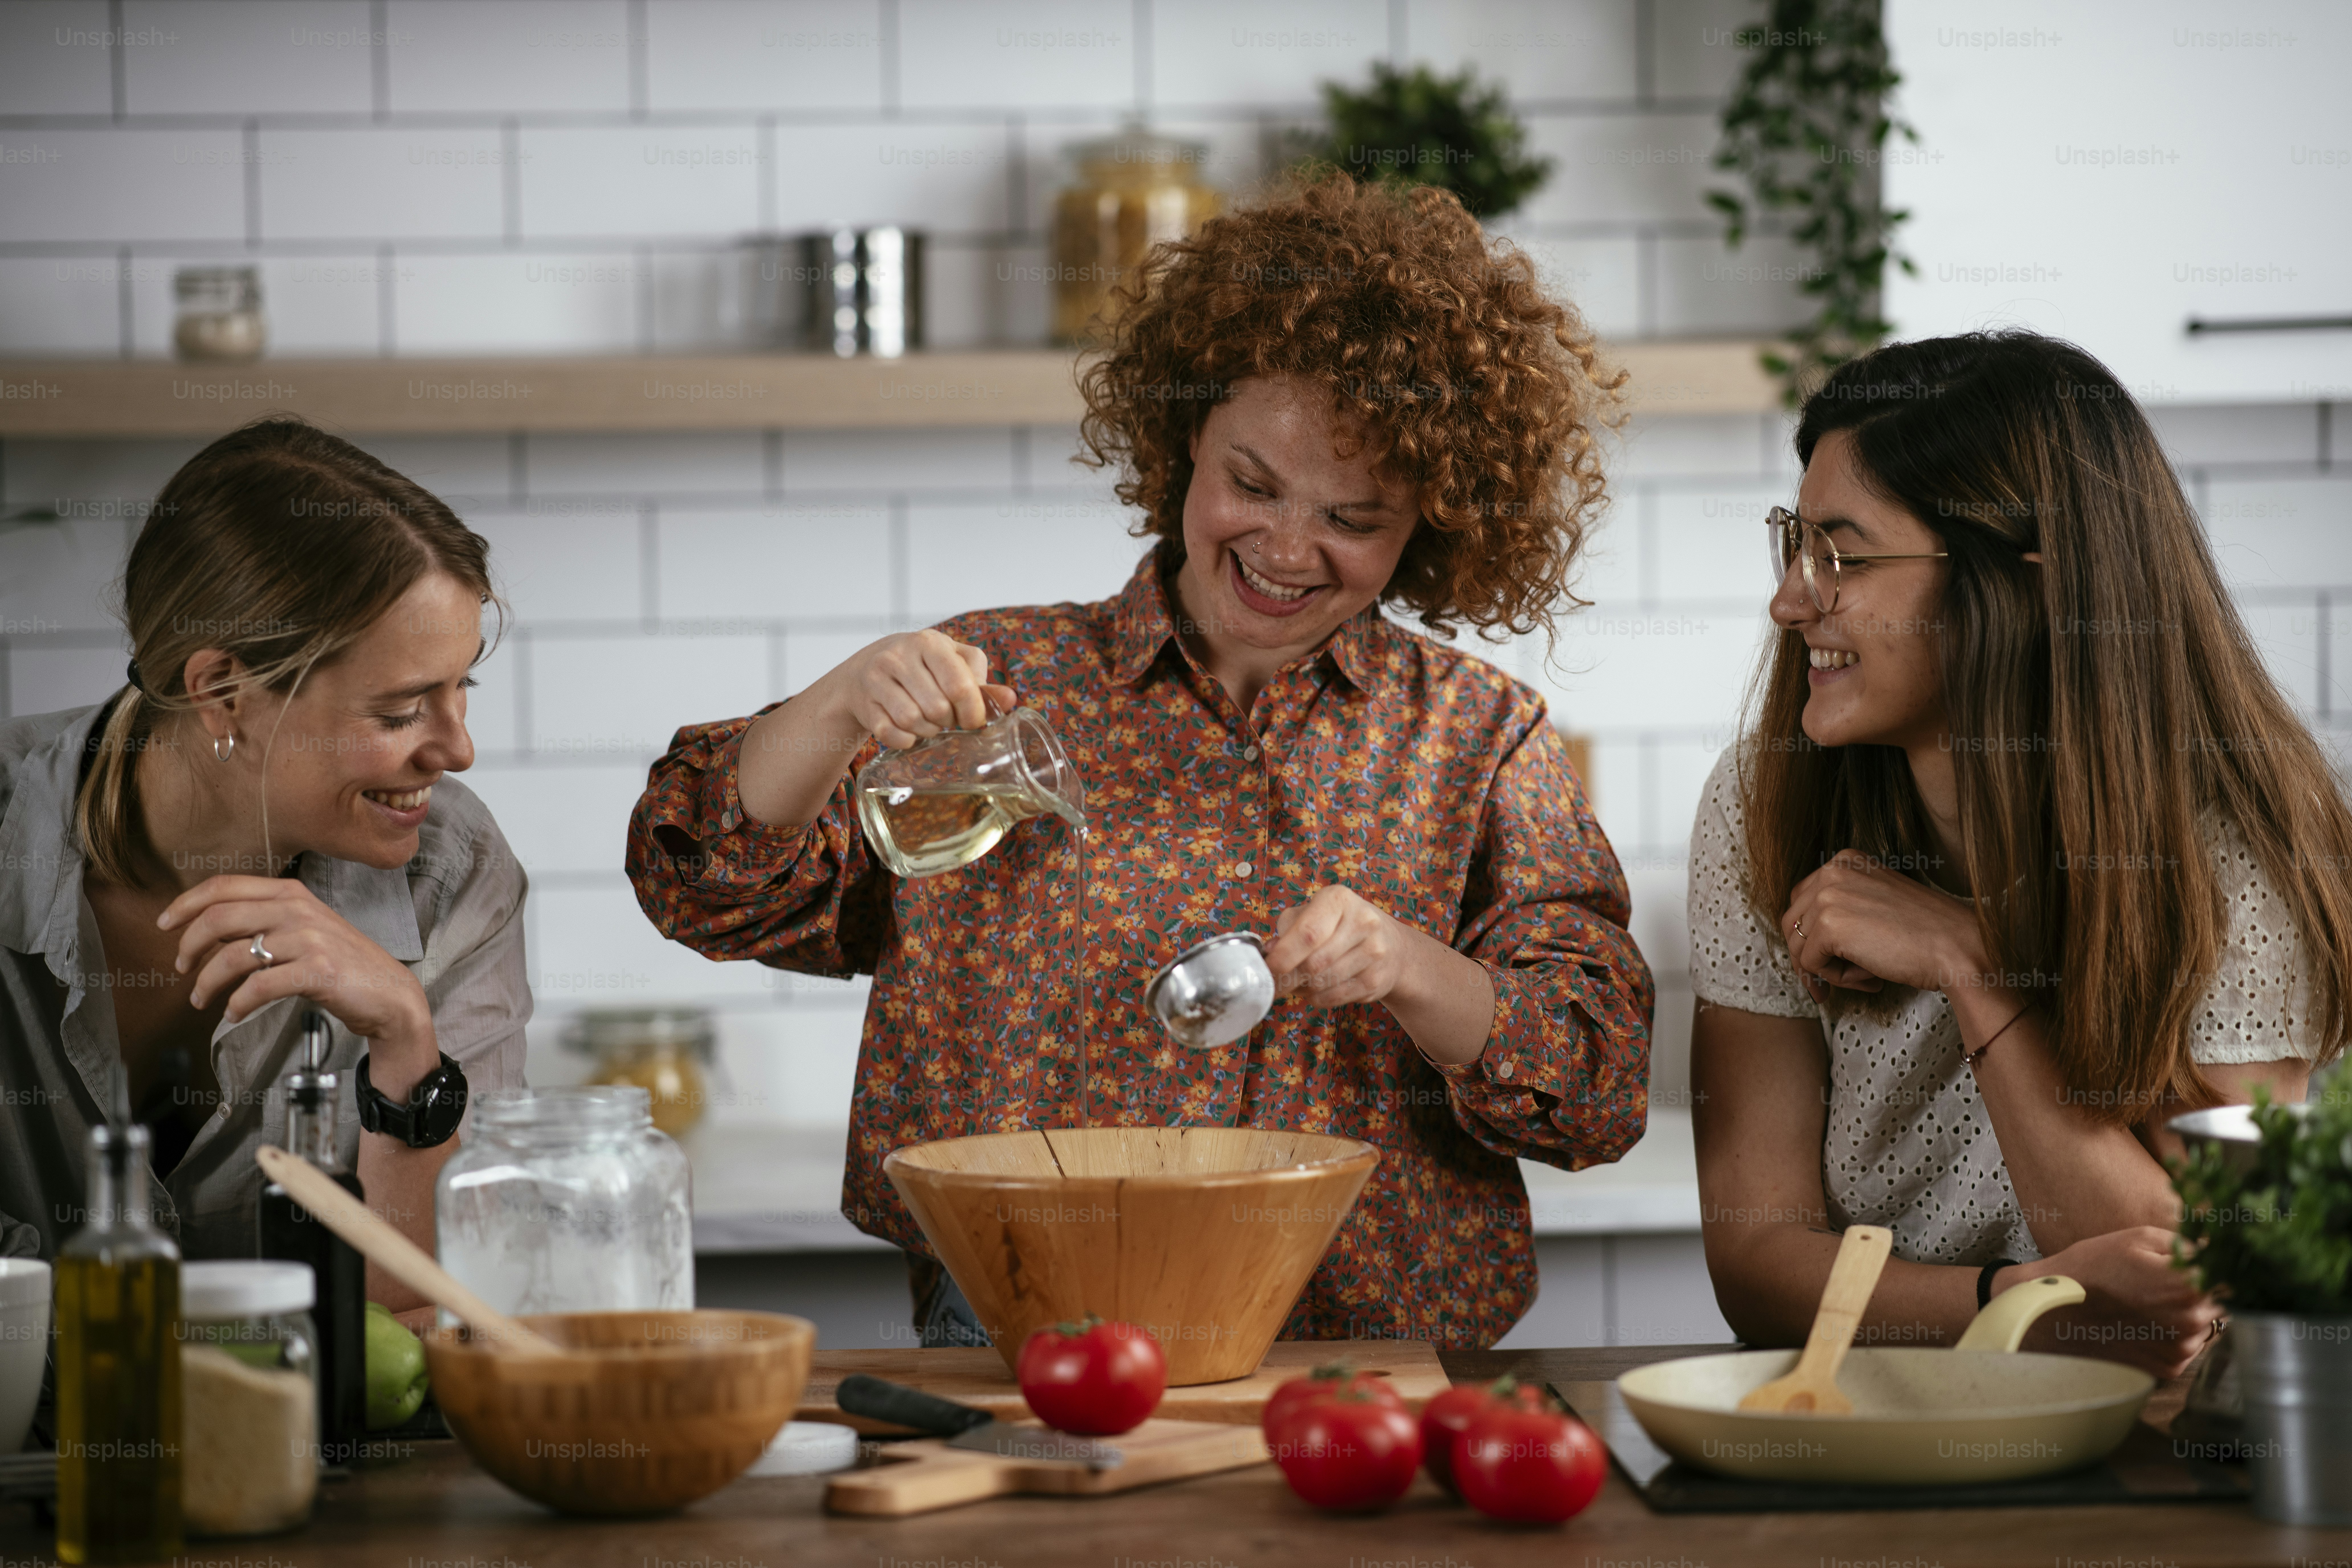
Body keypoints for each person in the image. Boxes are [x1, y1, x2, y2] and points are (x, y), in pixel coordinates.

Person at [628, 175, 1652, 1348]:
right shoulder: (997, 677)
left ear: (1435, 520)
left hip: (1369, 1344)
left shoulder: (1479, 736)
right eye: (1252, 484)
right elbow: (704, 883)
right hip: (1019, 1324)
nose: (1281, 547)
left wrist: (1409, 964)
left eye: (1352, 518)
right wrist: (839, 700)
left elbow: (1597, 1081)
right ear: (1181, 447)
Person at [1689, 332, 2352, 1375]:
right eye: (1796, 542)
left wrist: (1973, 968)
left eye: (1846, 557)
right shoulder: (1761, 803)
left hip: (2166, 1449)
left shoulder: (2238, 849)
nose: (1791, 600)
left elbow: (2204, 1297)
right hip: (1878, 1414)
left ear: (2027, 581)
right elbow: (1758, 1262)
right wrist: (2022, 1304)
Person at [0, 418, 530, 1328]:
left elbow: (410, 1321)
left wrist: (406, 1043)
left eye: (461, 690)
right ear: (222, 693)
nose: (460, 750)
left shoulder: (454, 871)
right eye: (403, 709)